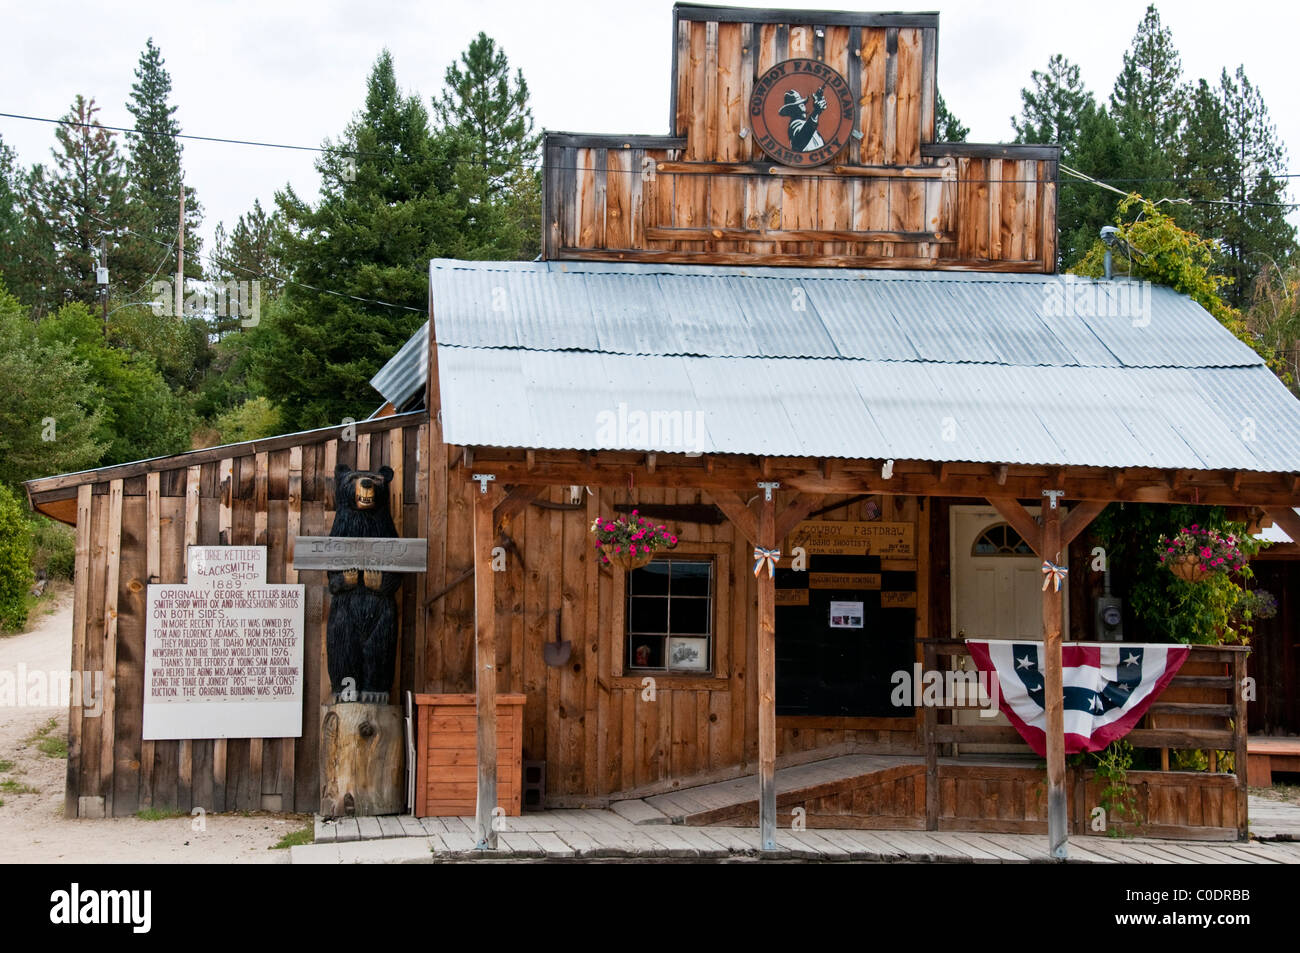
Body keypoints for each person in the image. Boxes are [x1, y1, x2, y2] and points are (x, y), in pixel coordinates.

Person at [779, 87, 827, 152]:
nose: (803, 108)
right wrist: (816, 112)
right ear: (791, 111)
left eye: (803, 104)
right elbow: (800, 142)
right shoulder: (795, 124)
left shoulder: (806, 125)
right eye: (799, 105)